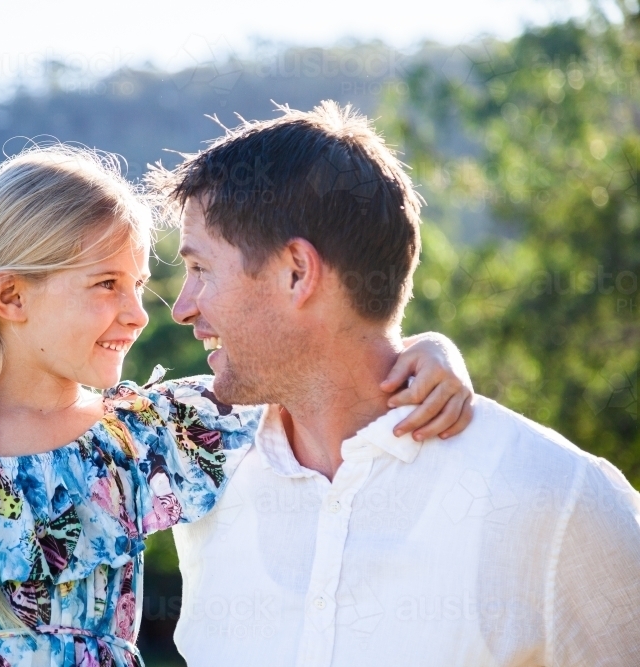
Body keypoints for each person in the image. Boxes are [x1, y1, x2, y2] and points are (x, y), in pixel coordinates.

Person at [0, 144, 474, 667]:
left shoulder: (150, 434)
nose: (140, 314)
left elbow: (321, 366)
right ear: (11, 298)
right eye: (107, 285)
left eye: (138, 284)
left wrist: (431, 349)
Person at [151, 101, 640, 666]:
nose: (182, 307)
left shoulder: (554, 500)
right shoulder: (192, 465)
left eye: (200, 270)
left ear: (297, 272)